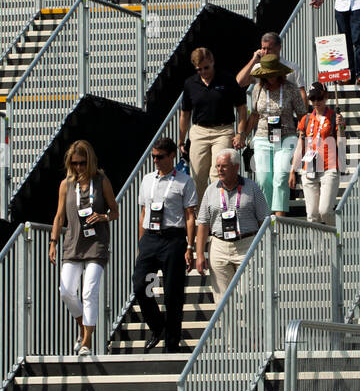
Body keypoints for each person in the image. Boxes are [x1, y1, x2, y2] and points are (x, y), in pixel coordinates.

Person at [49, 140, 119, 356]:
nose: (78, 167)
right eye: (75, 163)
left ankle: (87, 339)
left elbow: (115, 211)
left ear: (90, 161)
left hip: (96, 243)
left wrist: (104, 216)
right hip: (73, 243)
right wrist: (53, 241)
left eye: (82, 163)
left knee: (89, 291)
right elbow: (60, 215)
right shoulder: (66, 184)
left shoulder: (101, 180)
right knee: (66, 291)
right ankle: (84, 325)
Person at [132, 136, 198, 353]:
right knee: (141, 285)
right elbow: (144, 212)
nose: (156, 161)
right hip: (151, 237)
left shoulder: (184, 181)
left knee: (172, 294)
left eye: (160, 157)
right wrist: (141, 244)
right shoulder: (147, 180)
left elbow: (190, 215)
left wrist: (190, 246)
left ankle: (172, 344)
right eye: (153, 157)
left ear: (171, 156)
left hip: (174, 238)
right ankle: (157, 325)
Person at [195, 149, 269, 305]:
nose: (219, 170)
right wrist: (200, 254)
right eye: (217, 166)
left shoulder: (252, 188)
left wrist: (266, 248)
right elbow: (202, 223)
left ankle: (250, 329)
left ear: (236, 167)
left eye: (224, 166)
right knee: (222, 300)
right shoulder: (210, 190)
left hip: (246, 244)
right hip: (219, 245)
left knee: (248, 295)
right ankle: (227, 331)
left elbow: (264, 220)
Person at [179, 47, 247, 201]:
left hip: (223, 130)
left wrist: (240, 132)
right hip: (199, 131)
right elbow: (185, 114)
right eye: (199, 69)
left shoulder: (227, 79)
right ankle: (201, 216)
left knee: (218, 173)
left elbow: (242, 109)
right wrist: (181, 140)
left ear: (212, 62)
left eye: (206, 68)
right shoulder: (190, 83)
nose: (203, 72)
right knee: (197, 175)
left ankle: (220, 209)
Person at [242, 55, 301, 216]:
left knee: (281, 176)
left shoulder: (291, 88)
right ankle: (266, 218)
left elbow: (302, 115)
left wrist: (305, 137)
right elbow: (254, 114)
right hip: (262, 136)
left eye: (272, 73)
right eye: (266, 74)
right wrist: (243, 135)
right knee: (262, 179)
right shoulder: (257, 89)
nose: (270, 77)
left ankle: (279, 221)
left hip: (287, 135)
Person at [288, 82, 346, 227]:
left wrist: (341, 128)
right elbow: (300, 146)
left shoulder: (334, 117)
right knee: (312, 216)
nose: (316, 102)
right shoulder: (306, 119)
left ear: (325, 97)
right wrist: (292, 170)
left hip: (329, 167)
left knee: (325, 211)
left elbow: (341, 144)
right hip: (309, 168)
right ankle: (317, 250)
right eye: (312, 99)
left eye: (319, 98)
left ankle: (338, 238)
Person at [237, 31, 306, 111]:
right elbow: (240, 83)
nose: (265, 52)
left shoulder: (292, 68)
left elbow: (301, 92)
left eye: (269, 49)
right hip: (263, 116)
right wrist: (253, 61)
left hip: (285, 116)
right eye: (263, 48)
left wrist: (303, 118)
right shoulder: (257, 68)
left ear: (279, 48)